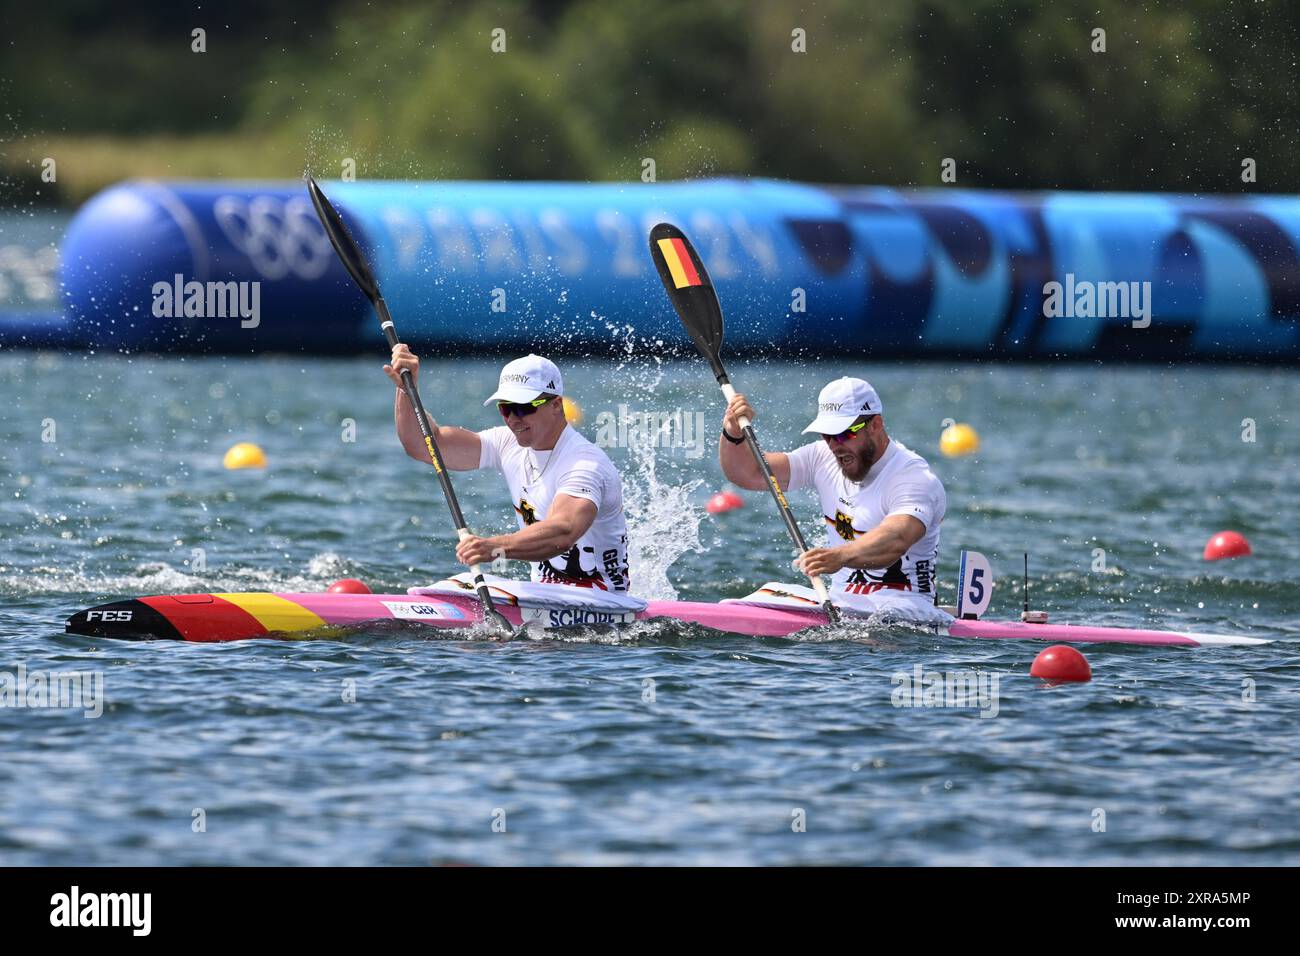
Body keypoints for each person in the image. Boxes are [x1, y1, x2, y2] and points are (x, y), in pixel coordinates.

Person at [386, 347, 631, 592]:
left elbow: (563, 532)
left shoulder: (585, 464)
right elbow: (425, 446)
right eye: (506, 407)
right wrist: (406, 389)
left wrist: (493, 547)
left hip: (603, 600)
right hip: (547, 595)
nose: (514, 418)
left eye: (525, 407)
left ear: (556, 405)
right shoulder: (507, 442)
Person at [718, 376, 949, 623]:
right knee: (751, 597)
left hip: (906, 611)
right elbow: (747, 473)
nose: (834, 446)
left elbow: (897, 538)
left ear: (875, 424)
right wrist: (733, 433)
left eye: (843, 434)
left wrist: (839, 556)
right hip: (840, 605)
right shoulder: (821, 458)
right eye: (827, 435)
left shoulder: (912, 477)